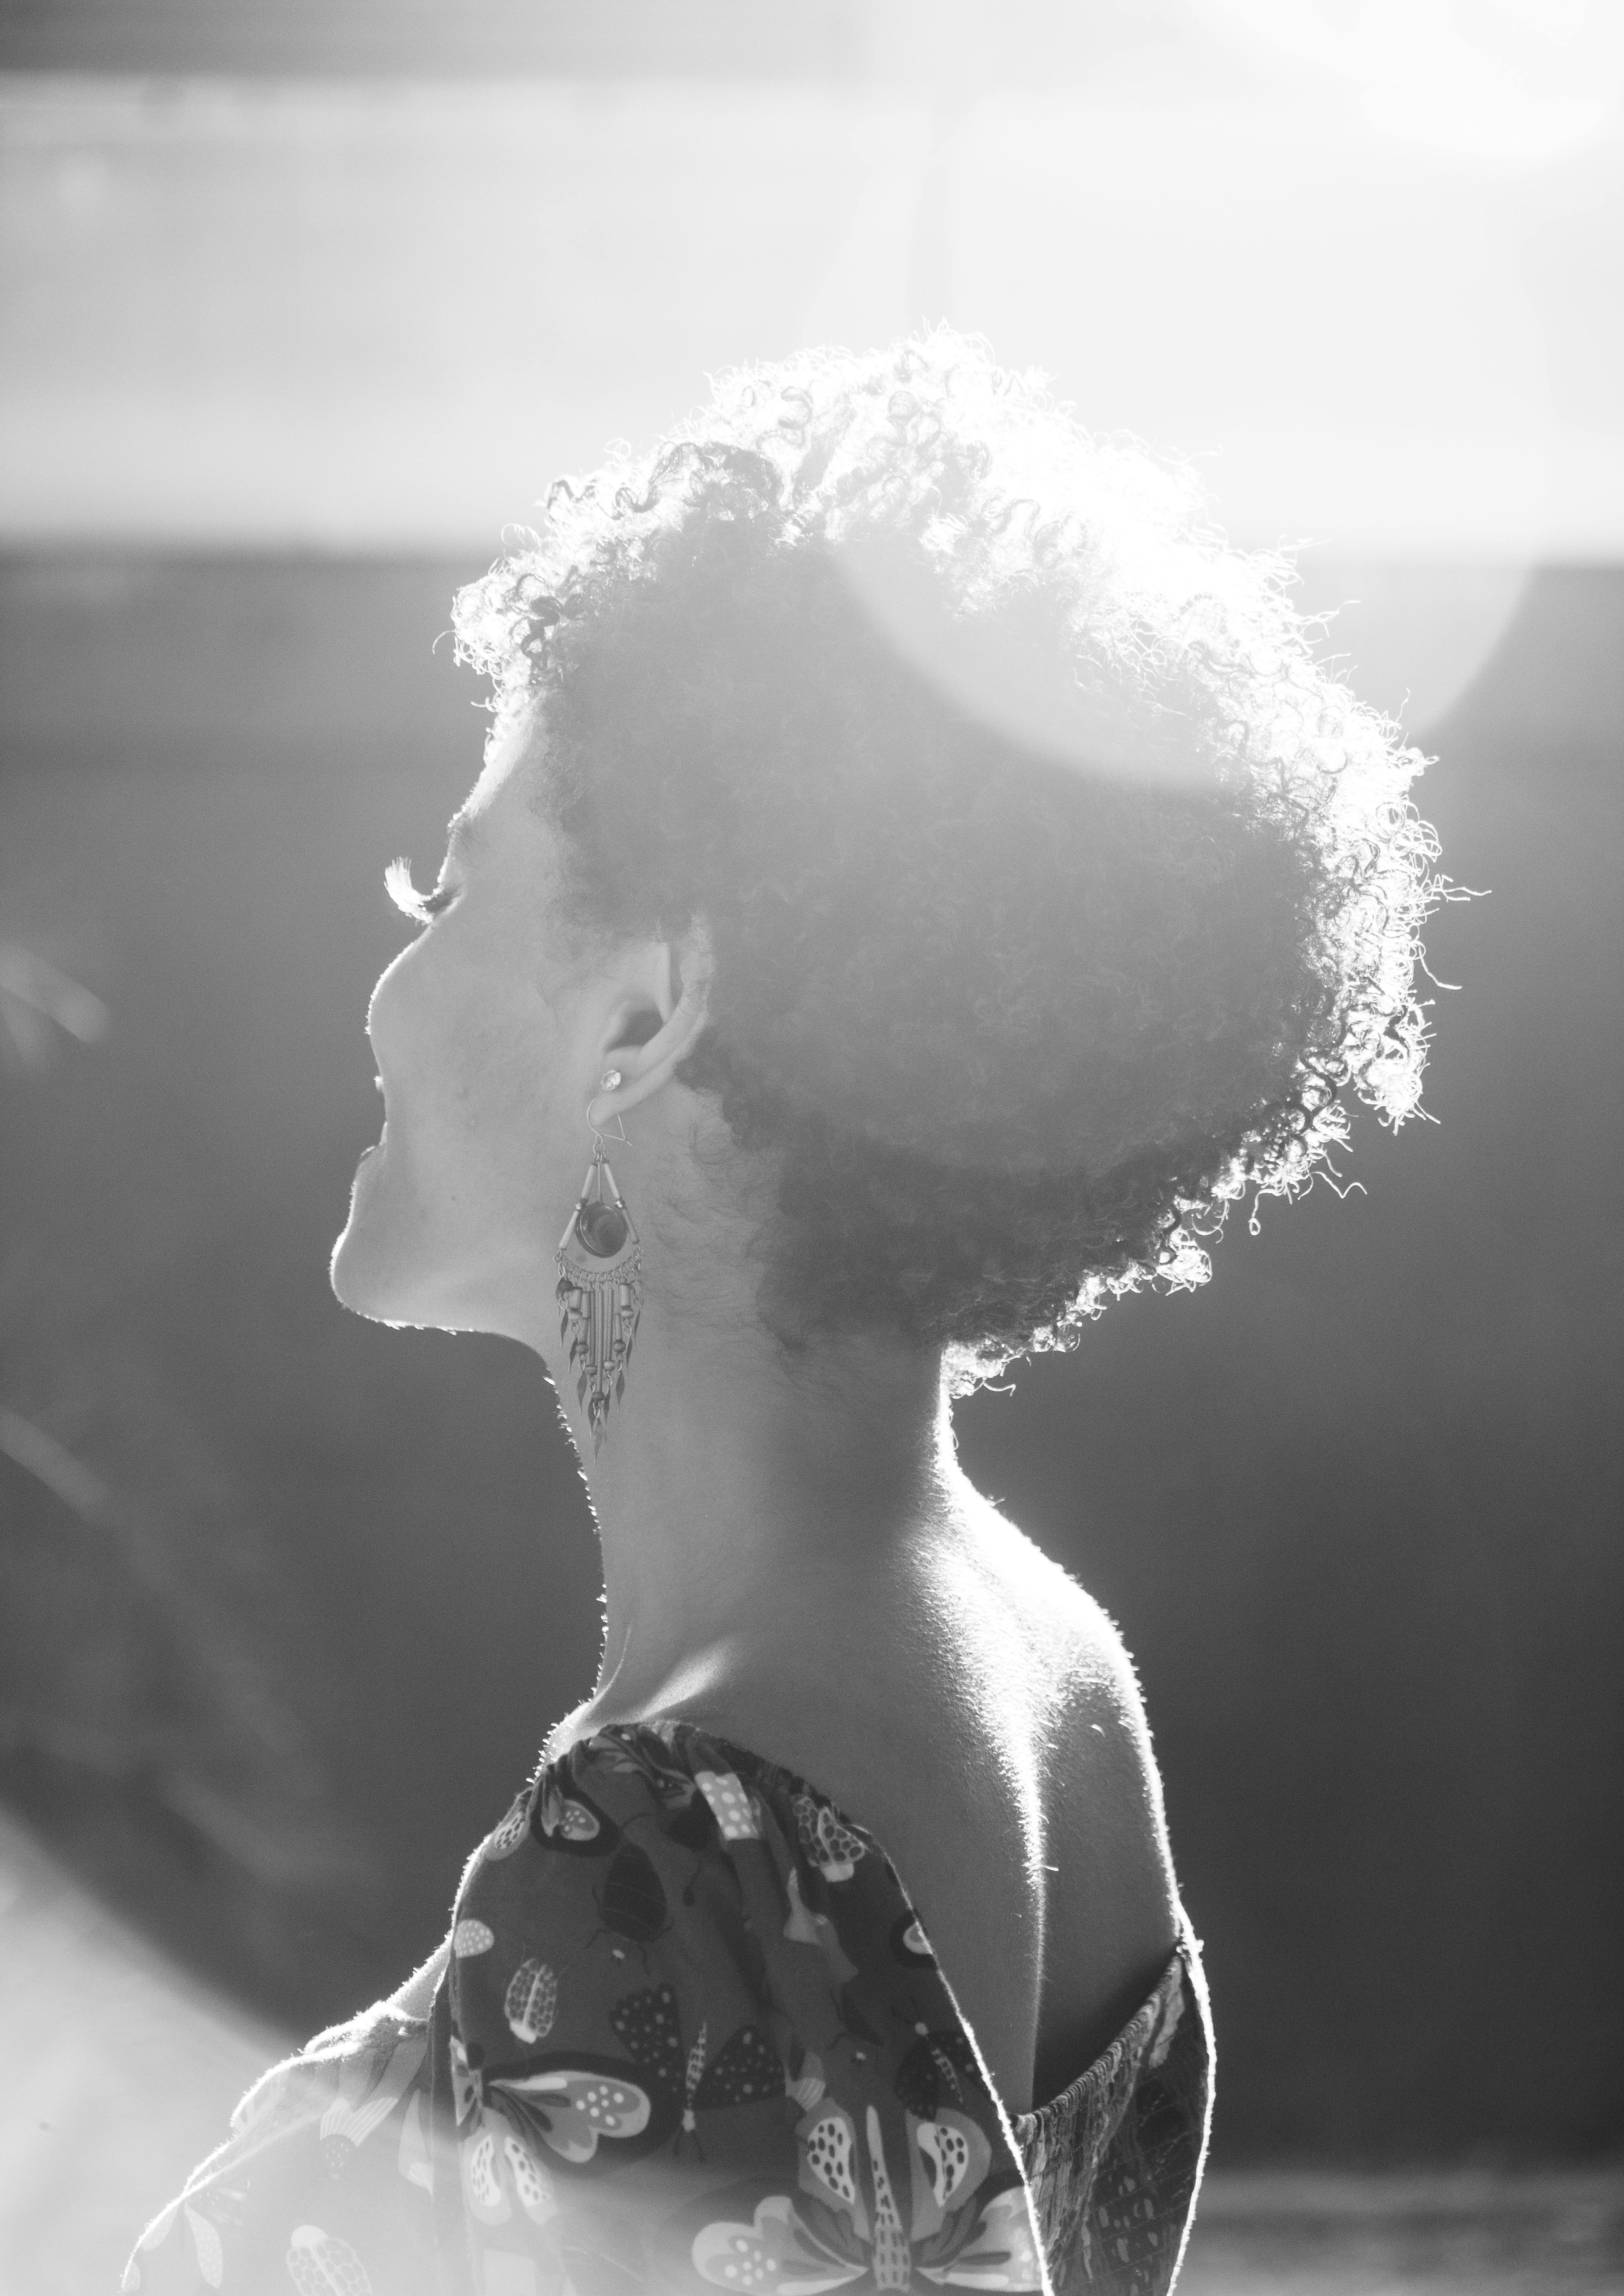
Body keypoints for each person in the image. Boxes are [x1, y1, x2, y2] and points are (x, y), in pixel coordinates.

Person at [125, 333, 1439, 2296]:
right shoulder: (1040, 1657)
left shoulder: (682, 1849)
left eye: (445, 894)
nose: (387, 991)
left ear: (642, 1015)